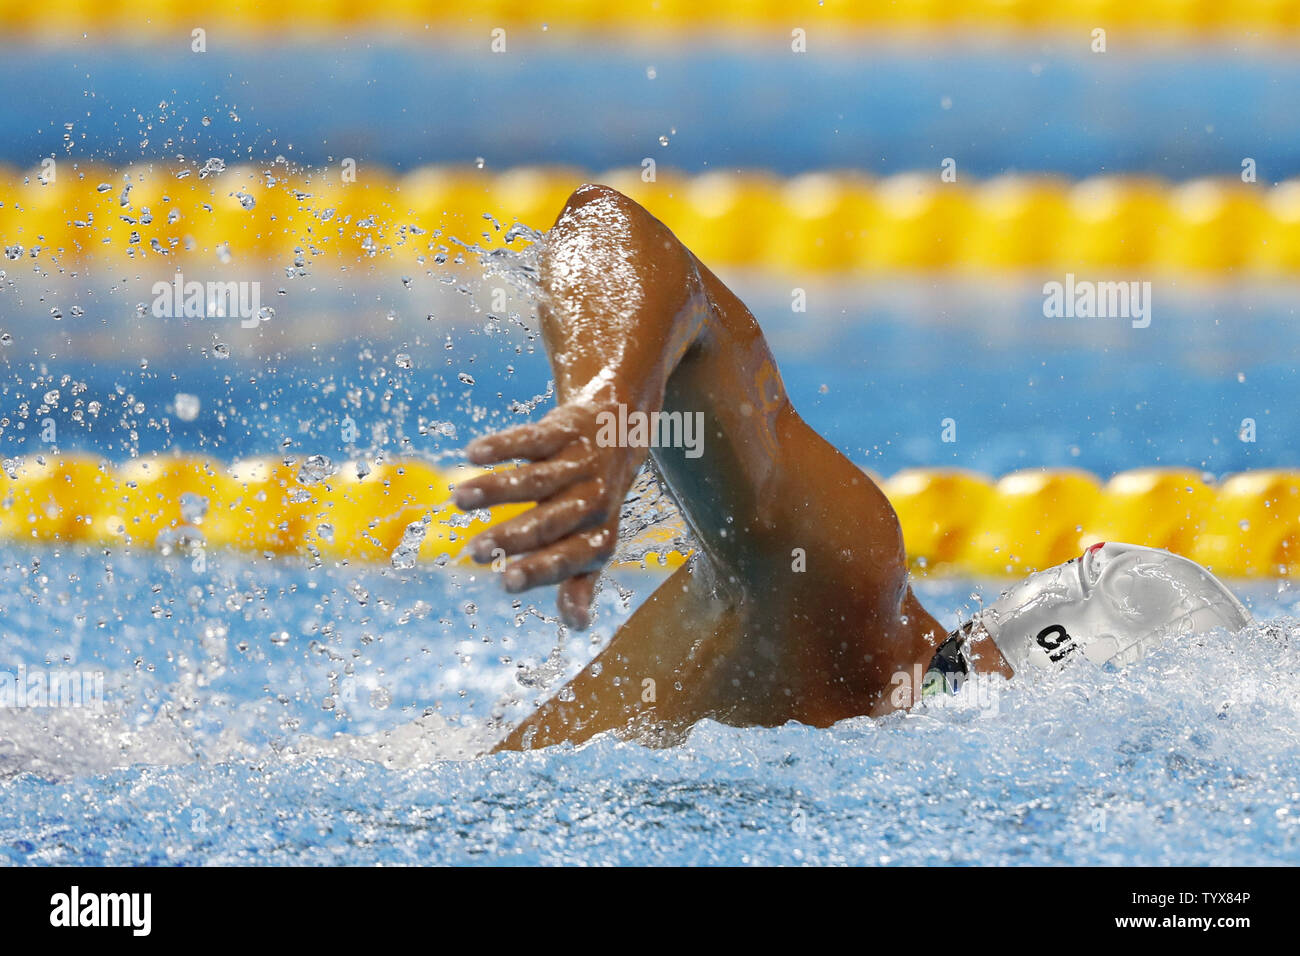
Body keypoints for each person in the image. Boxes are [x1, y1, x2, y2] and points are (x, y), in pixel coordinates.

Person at [452, 184, 1252, 752]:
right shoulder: (846, 606)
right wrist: (605, 408)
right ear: (988, 668)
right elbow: (610, 230)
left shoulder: (887, 709)